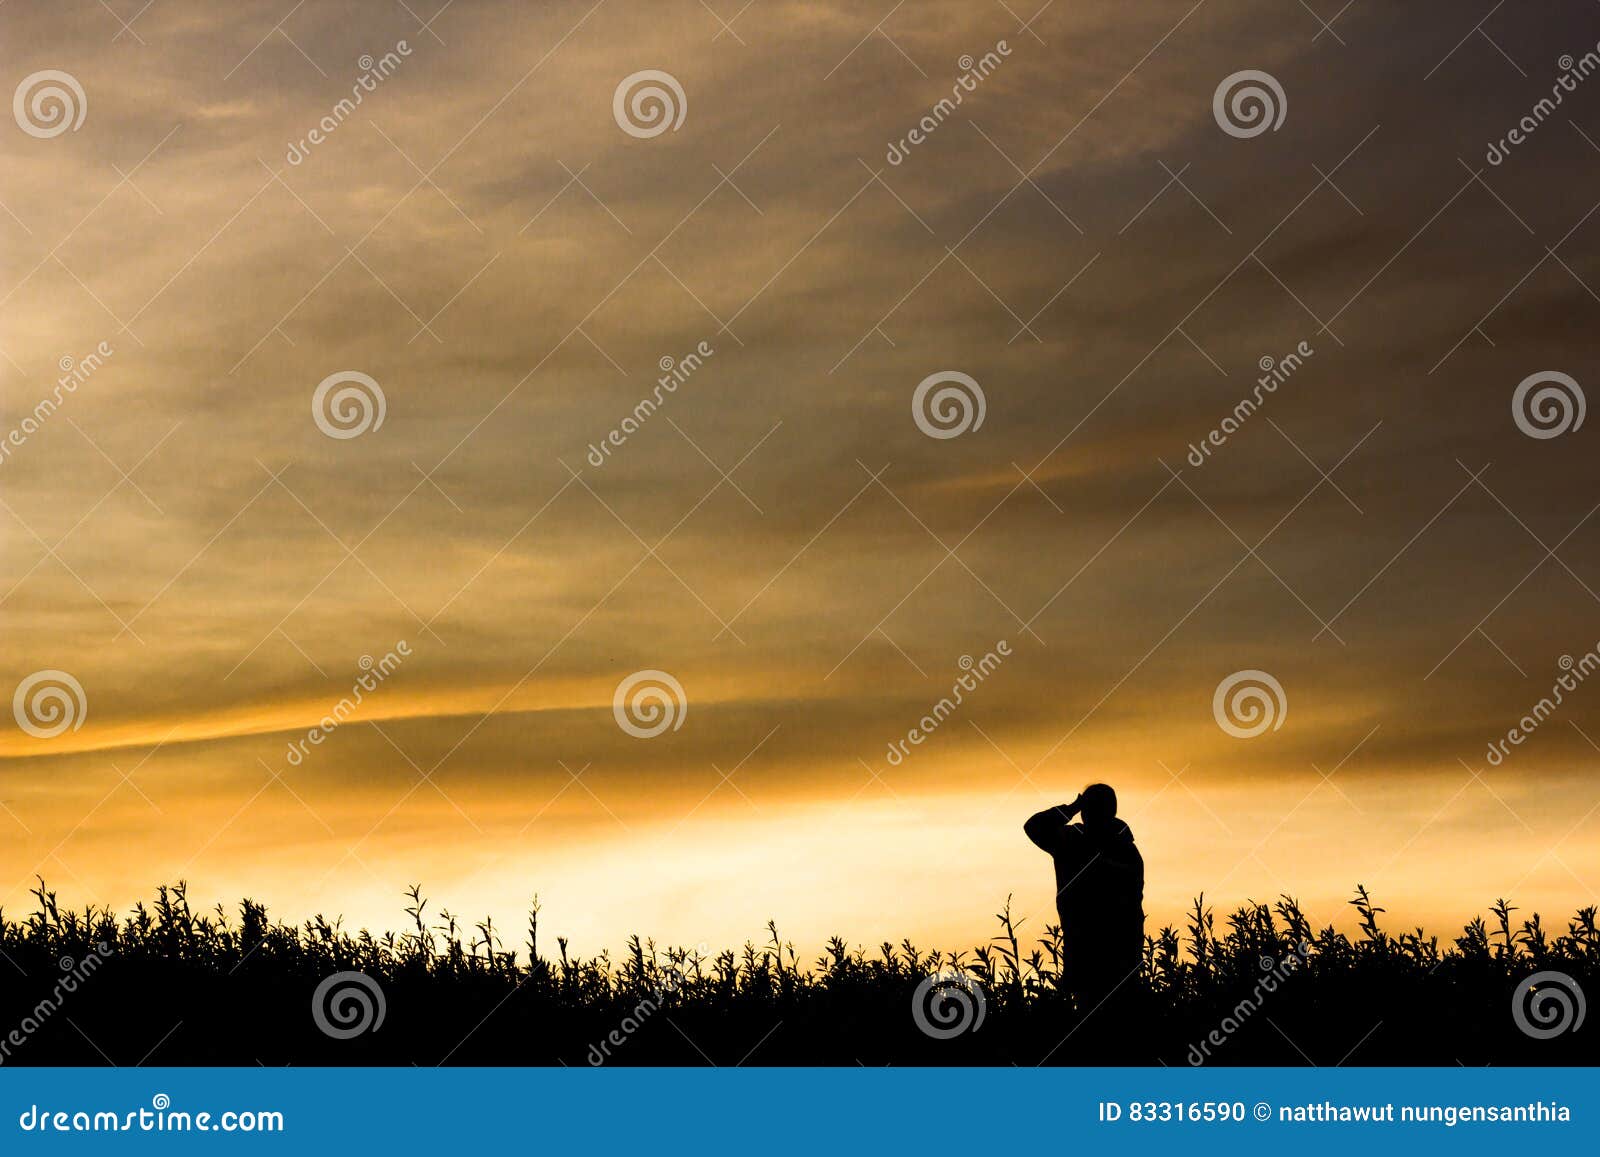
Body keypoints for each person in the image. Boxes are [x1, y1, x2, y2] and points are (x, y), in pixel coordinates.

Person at [1024, 783, 1144, 1011]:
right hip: (1084, 954)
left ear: (1110, 811)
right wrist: (1070, 808)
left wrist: (1099, 865)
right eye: (1087, 807)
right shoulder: (1071, 840)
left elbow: (1130, 887)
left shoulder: (1123, 848)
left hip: (1119, 955)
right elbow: (1034, 826)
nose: (1090, 813)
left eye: (1094, 807)